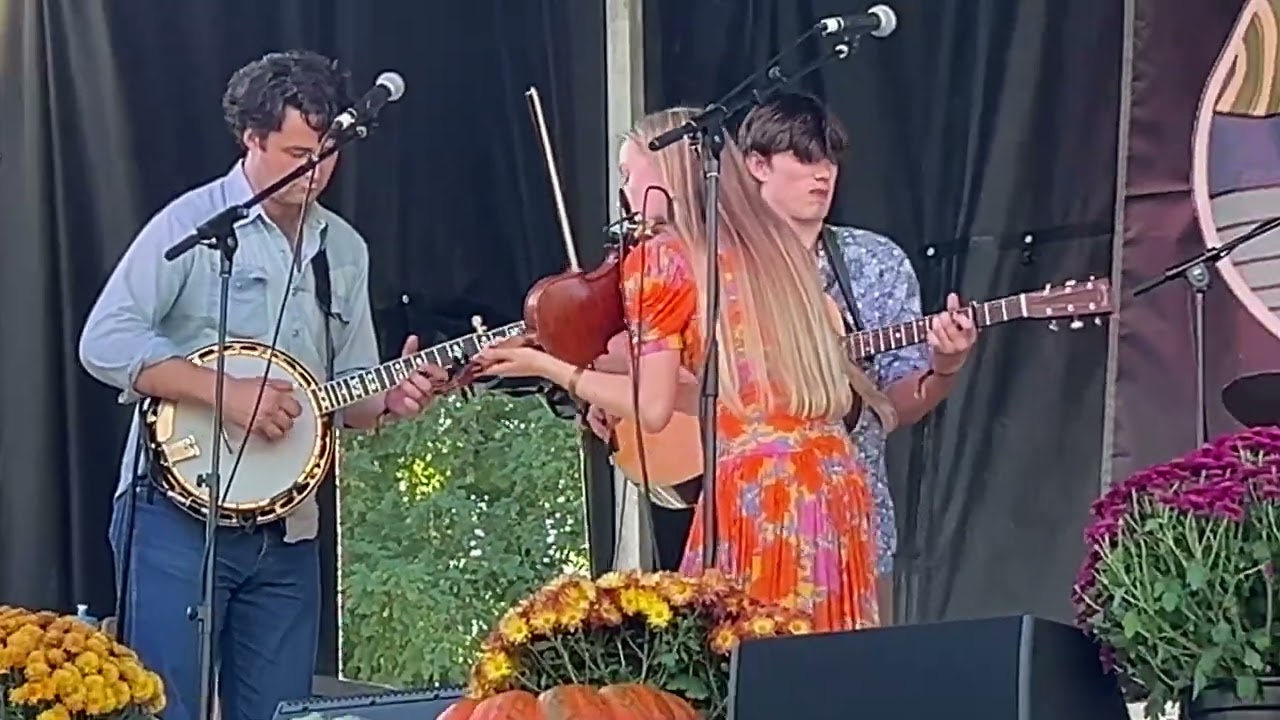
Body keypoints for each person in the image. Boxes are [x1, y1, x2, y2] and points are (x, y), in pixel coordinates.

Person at [78, 50, 446, 720]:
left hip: (288, 533)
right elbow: (103, 341)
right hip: (173, 518)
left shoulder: (346, 250)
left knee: (282, 713)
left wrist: (394, 397)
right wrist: (223, 391)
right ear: (252, 139)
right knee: (164, 708)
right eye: (298, 151)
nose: (317, 170)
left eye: (329, 152)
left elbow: (355, 398)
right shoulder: (192, 225)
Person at [475, 107, 894, 632]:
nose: (624, 191)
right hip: (833, 483)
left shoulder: (663, 260)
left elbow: (650, 409)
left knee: (737, 672)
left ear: (664, 173)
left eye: (629, 174)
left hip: (757, 493)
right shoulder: (779, 251)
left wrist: (549, 365)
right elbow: (729, 395)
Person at [736, 92, 977, 623]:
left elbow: (897, 404)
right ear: (757, 164)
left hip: (855, 518)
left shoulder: (874, 262)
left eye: (828, 160)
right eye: (802, 158)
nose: (822, 174)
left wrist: (945, 368)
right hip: (747, 522)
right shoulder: (721, 268)